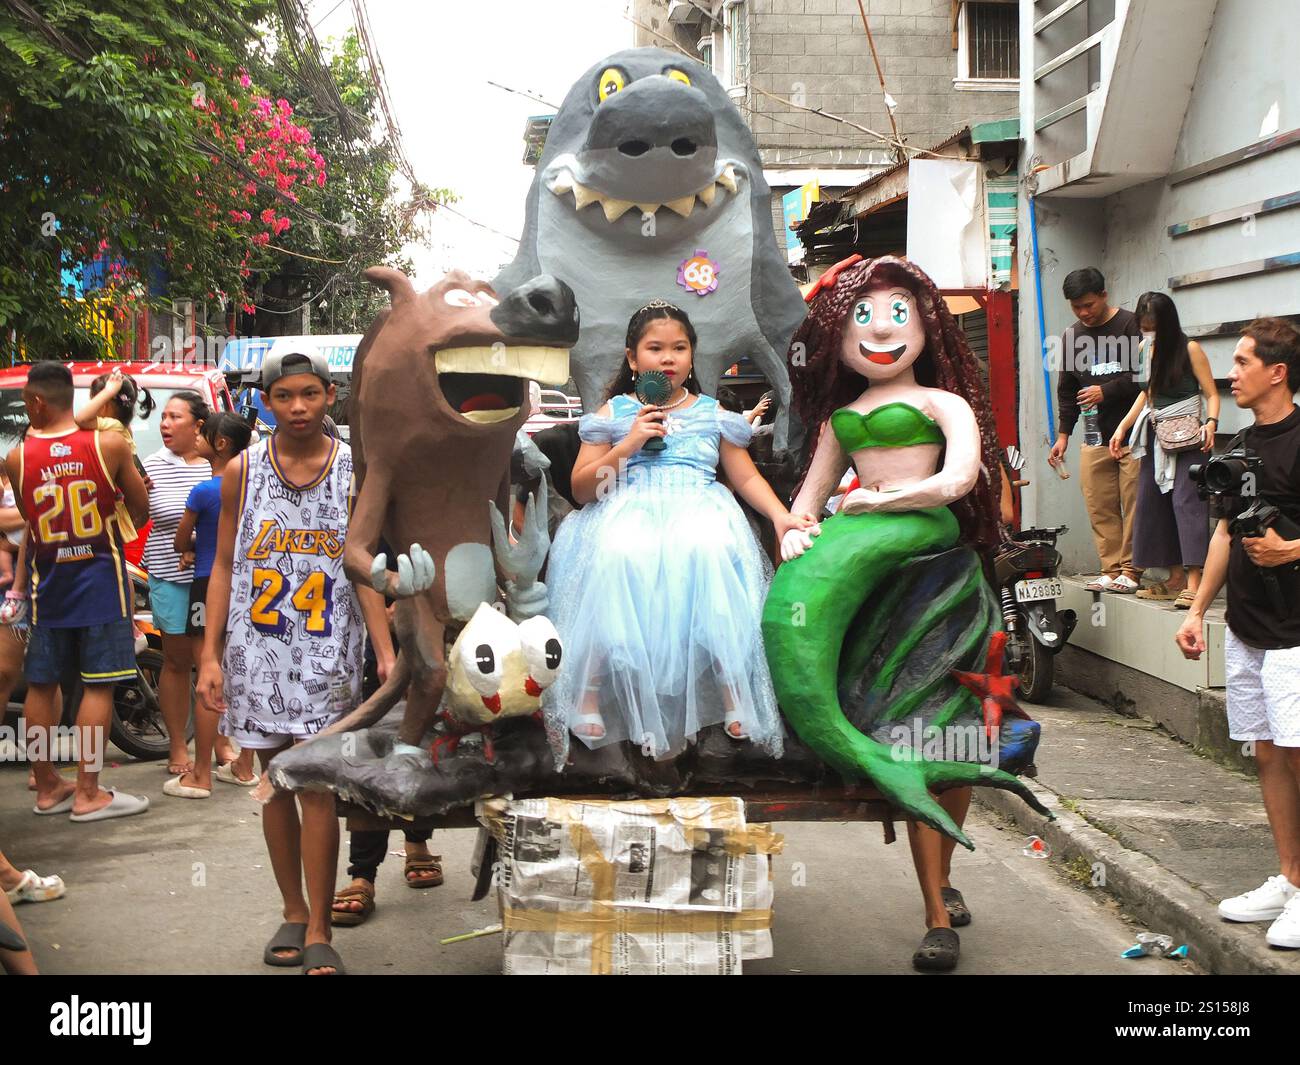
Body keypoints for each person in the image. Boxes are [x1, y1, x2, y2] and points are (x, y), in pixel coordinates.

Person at [769, 255, 1012, 973]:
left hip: (938, 578)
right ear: (838, 336)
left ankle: (944, 872)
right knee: (906, 731)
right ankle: (935, 910)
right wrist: (796, 531)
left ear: (927, 326)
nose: (880, 330)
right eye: (863, 317)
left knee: (954, 738)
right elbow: (810, 498)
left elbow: (958, 479)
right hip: (868, 580)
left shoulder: (945, 404)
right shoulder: (841, 420)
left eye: (898, 314)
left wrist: (883, 500)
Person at [543, 300, 813, 759]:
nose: (667, 358)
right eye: (655, 348)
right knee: (618, 555)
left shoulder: (712, 412)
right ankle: (588, 692)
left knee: (707, 550)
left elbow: (745, 477)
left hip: (700, 507)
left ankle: (733, 690)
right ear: (633, 359)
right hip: (626, 507)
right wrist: (629, 443)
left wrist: (779, 515)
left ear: (691, 356)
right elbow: (585, 489)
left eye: (679, 348)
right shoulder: (612, 413)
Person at [196, 345, 390, 976]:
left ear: (331, 396)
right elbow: (223, 567)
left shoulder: (354, 470)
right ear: (265, 402)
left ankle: (320, 926)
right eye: (284, 396)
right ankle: (291, 908)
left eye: (310, 394)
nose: (298, 406)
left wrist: (386, 651)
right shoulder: (242, 471)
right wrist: (209, 655)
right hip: (256, 652)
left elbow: (363, 565)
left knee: (317, 788)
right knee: (275, 784)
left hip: (328, 656)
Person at [1176, 317, 1300, 950]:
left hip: (1297, 632)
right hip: (1248, 627)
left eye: (1244, 362)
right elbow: (1225, 532)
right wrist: (1196, 611)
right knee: (1268, 753)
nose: (1231, 373)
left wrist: (1292, 549)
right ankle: (1291, 877)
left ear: (1278, 372)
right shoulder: (1242, 444)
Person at [5, 361, 150, 821]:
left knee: (42, 684)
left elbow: (30, 520)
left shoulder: (18, 458)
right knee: (99, 685)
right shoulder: (109, 445)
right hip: (100, 580)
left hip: (47, 583)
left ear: (36, 402)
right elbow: (140, 508)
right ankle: (88, 791)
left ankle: (47, 786)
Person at [164, 413, 256, 797]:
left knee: (208, 672)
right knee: (245, 673)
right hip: (247, 586)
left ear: (221, 444)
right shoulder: (253, 485)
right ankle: (244, 765)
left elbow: (179, 540)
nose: (197, 438)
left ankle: (200, 773)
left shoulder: (203, 491)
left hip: (208, 584)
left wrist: (189, 548)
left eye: (204, 433)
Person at [143, 391, 233, 779]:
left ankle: (221, 742)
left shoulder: (218, 466)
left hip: (214, 578)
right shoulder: (152, 466)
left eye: (174, 417)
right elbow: (138, 517)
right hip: (169, 575)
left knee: (215, 661)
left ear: (199, 426)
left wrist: (196, 546)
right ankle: (178, 743)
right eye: (163, 416)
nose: (165, 424)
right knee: (177, 661)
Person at [1109, 292, 1217, 609]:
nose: (1148, 333)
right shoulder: (1143, 350)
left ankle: (1194, 583)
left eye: (1153, 327)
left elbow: (1211, 394)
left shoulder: (1190, 349)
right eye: (1144, 327)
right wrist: (1122, 427)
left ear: (1168, 324)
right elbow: (1147, 395)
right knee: (1152, 503)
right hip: (1156, 434)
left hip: (1190, 436)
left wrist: (1211, 423)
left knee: (1187, 502)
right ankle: (1175, 579)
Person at [1047, 268, 1144, 593]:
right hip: (1094, 436)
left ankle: (1131, 571)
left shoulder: (1130, 325)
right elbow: (1066, 390)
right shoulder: (1072, 337)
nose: (1083, 313)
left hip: (1133, 435)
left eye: (1088, 305)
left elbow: (1145, 376)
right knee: (1099, 505)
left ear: (1104, 295)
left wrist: (1106, 391)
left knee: (1134, 504)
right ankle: (1111, 569)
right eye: (1076, 307)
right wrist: (1063, 435)